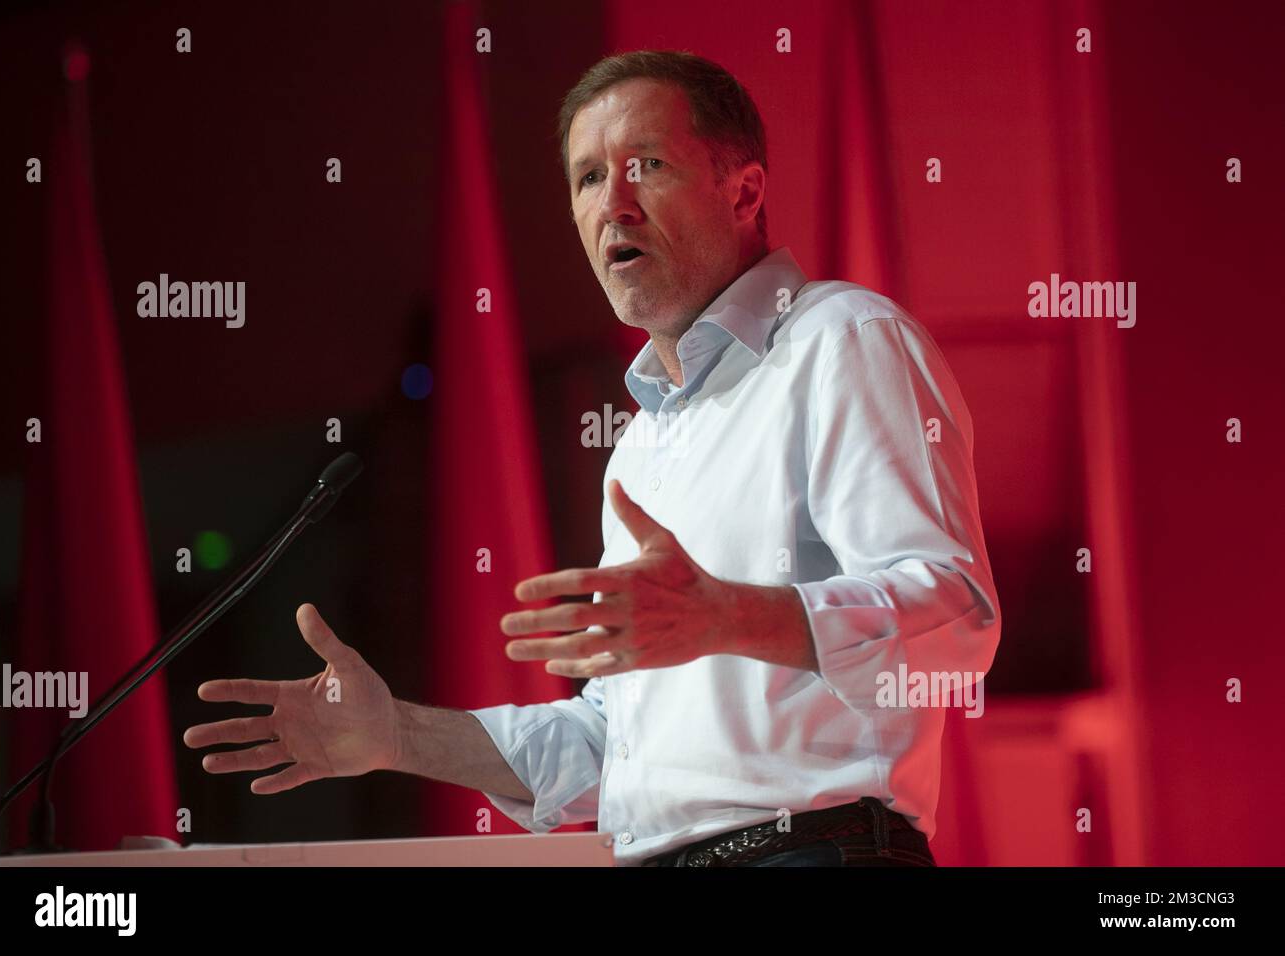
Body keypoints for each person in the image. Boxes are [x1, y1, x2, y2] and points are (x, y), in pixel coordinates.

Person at [184, 50, 1000, 868]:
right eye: (585, 179)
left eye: (646, 165)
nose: (614, 205)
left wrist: (725, 617)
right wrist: (399, 733)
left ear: (744, 189)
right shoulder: (642, 443)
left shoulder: (842, 339)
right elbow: (615, 741)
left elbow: (957, 623)